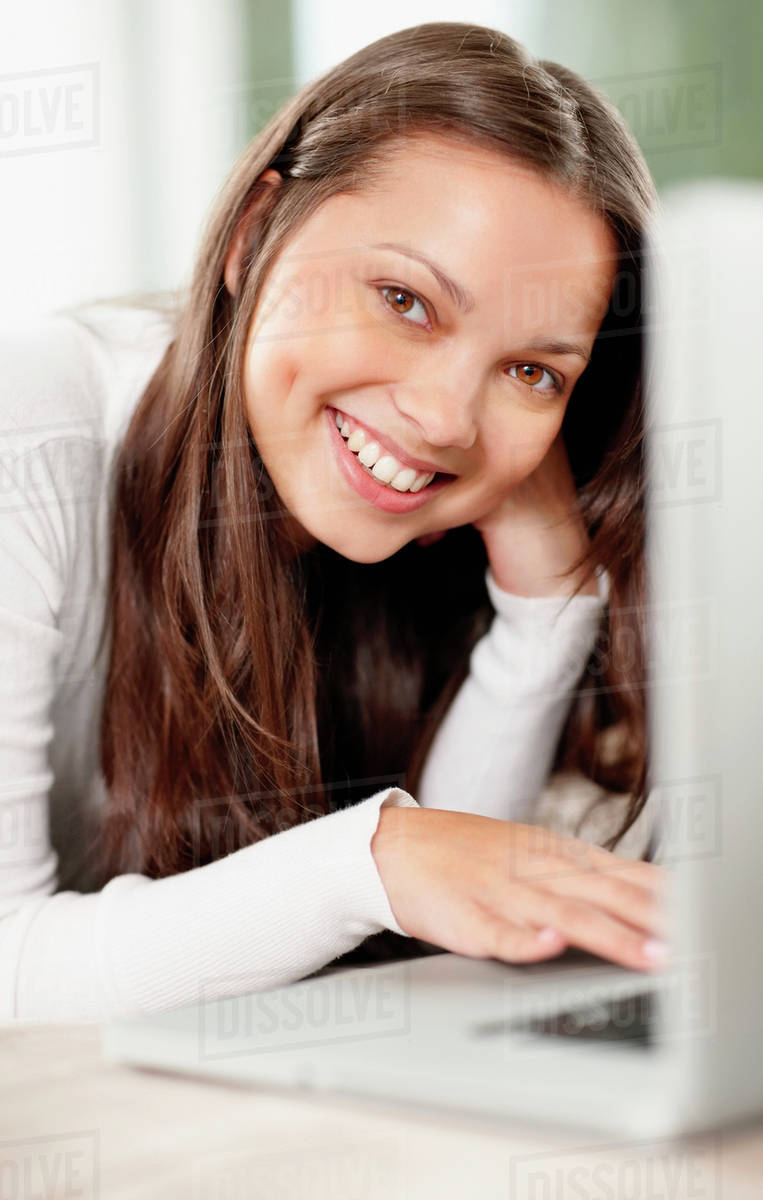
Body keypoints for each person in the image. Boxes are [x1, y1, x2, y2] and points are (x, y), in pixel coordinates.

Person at [0, 21, 665, 1023]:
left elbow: (454, 898)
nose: (445, 416)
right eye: (403, 299)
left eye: (531, 370)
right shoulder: (29, 431)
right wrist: (369, 857)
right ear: (250, 238)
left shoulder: (406, 545)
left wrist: (546, 595)